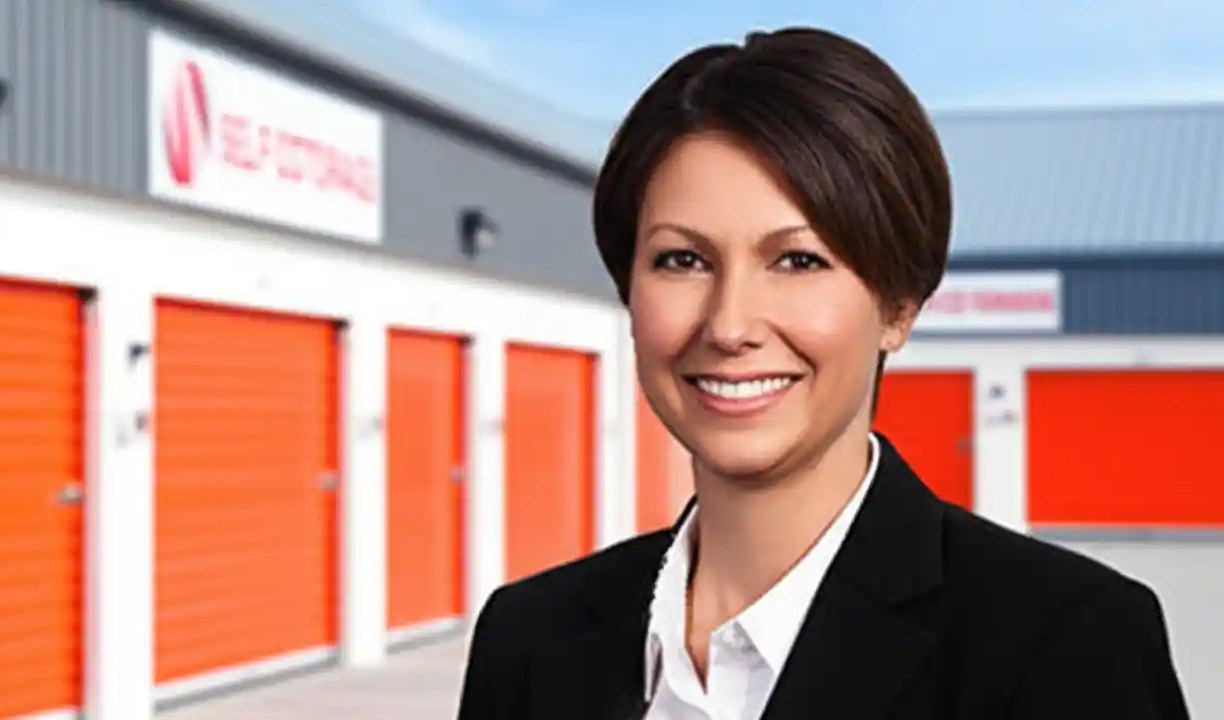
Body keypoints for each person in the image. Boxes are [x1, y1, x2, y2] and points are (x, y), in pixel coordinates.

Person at [456, 26, 1192, 720]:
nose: (730, 325)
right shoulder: (528, 644)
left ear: (899, 305)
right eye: (682, 260)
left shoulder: (1065, 648)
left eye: (798, 260)